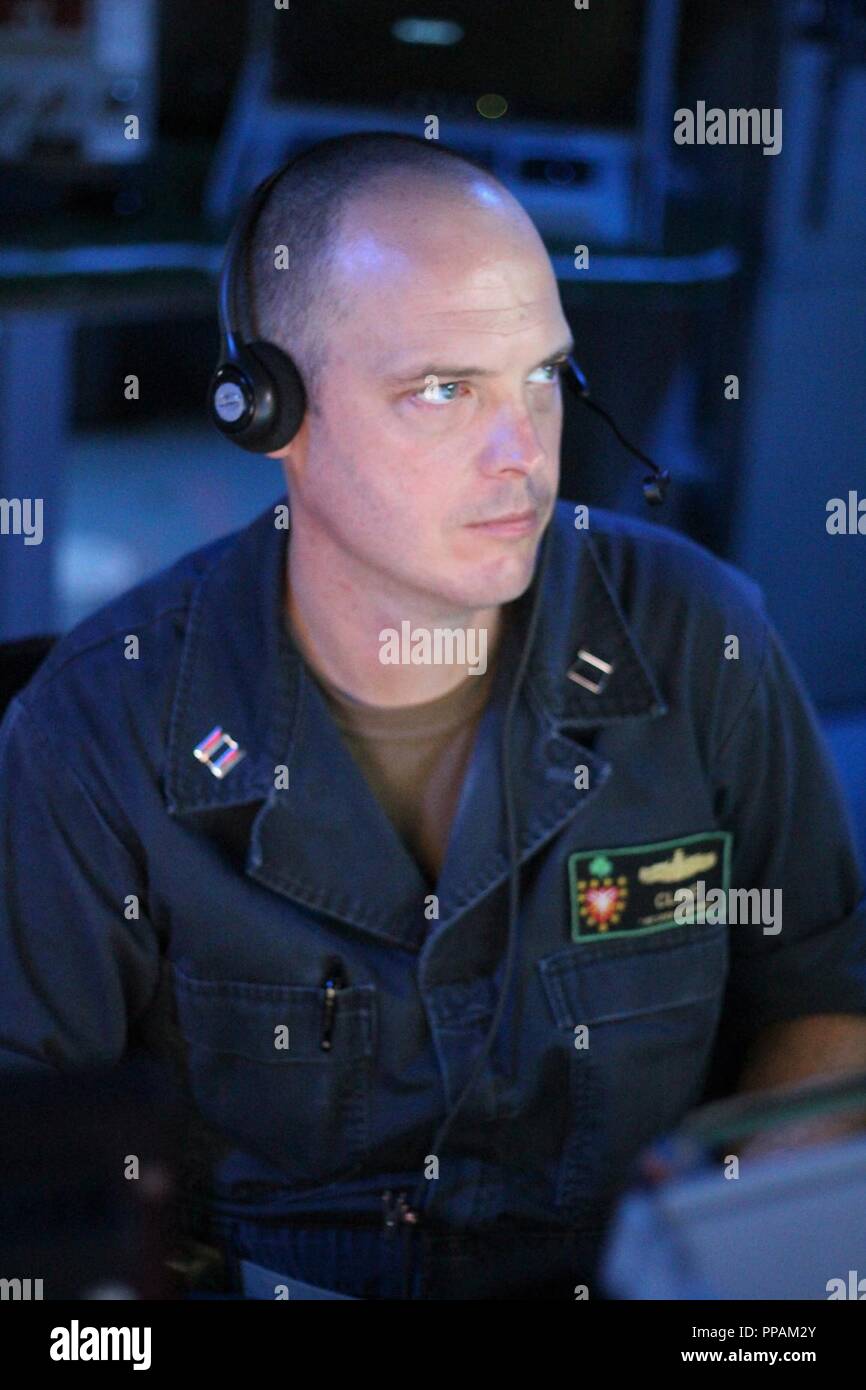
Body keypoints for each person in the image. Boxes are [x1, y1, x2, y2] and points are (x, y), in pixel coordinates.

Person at [2, 133, 866, 1301]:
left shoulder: (699, 638)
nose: (523, 456)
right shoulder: (101, 727)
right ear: (272, 418)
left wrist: (716, 1253)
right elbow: (34, 1154)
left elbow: (826, 996)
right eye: (444, 390)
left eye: (544, 379)